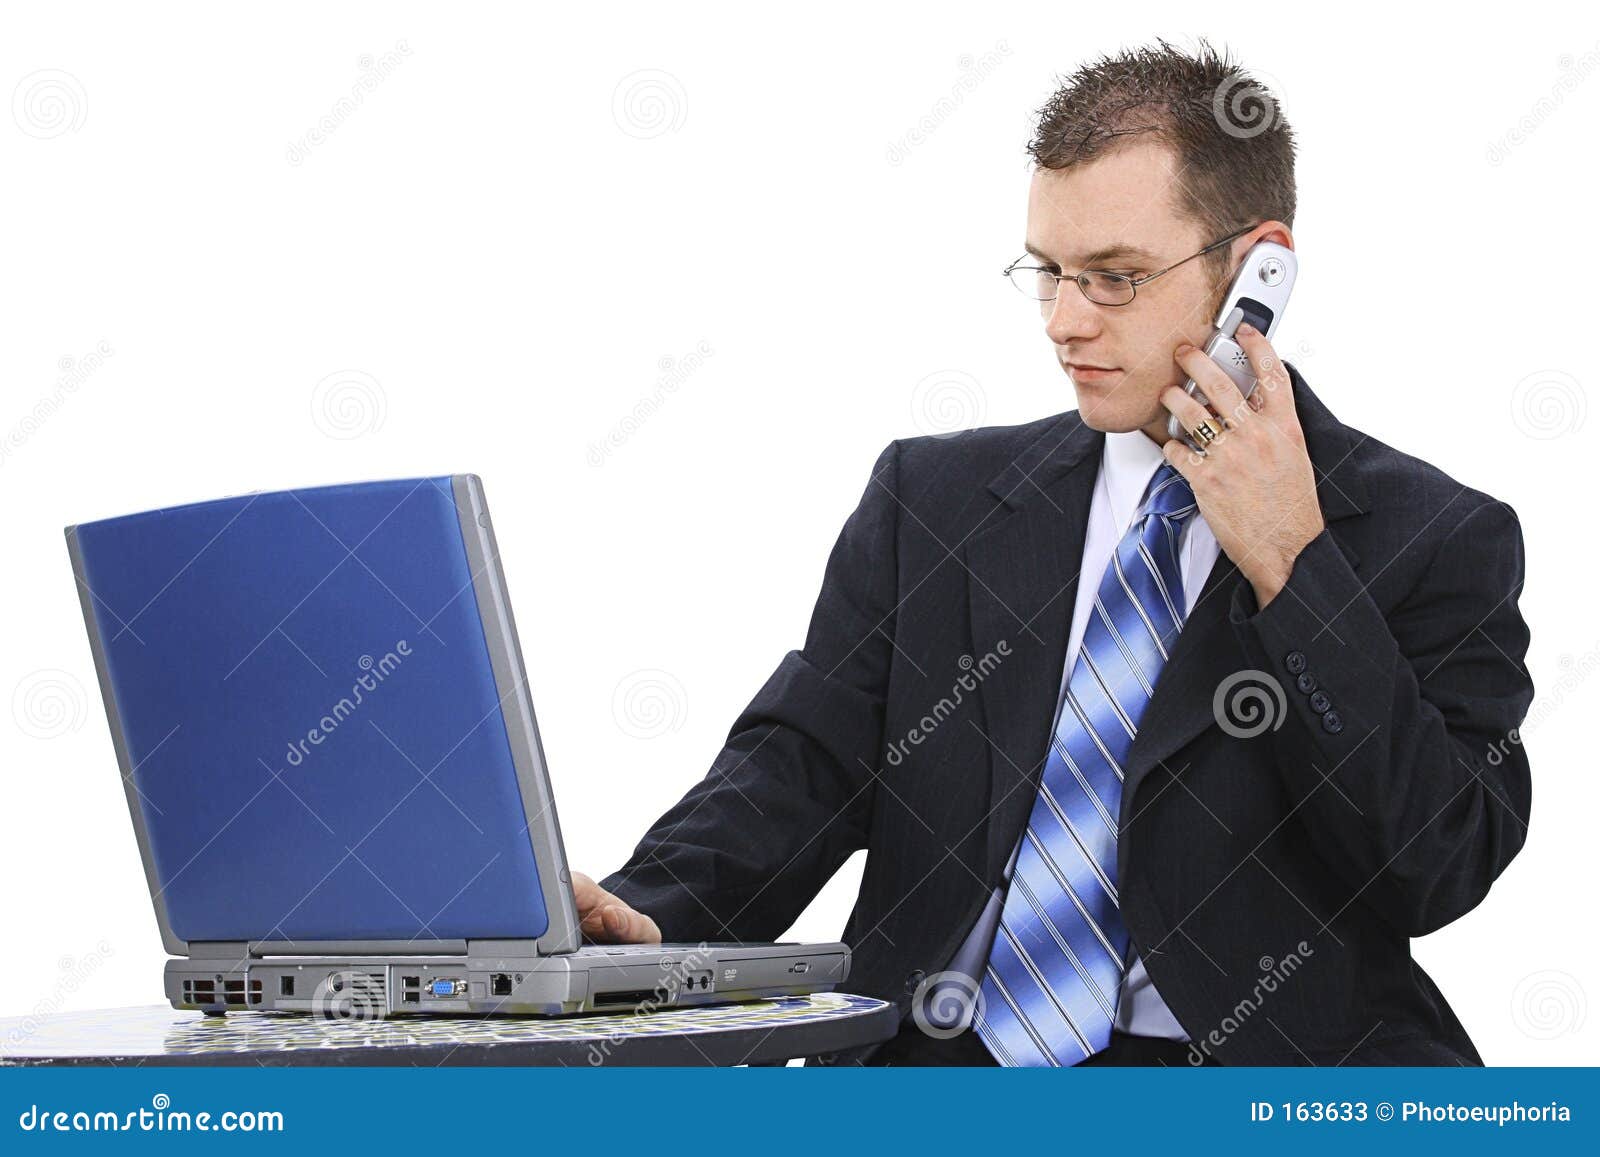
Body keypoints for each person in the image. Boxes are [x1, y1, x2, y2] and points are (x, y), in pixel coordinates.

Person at [572, 39, 1534, 1066]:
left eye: (1115, 278)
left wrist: (1294, 566)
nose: (1064, 323)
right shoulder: (930, 501)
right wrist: (643, 918)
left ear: (1258, 268)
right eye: (1050, 274)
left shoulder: (1433, 535)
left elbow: (1435, 863)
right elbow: (798, 769)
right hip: (933, 1071)